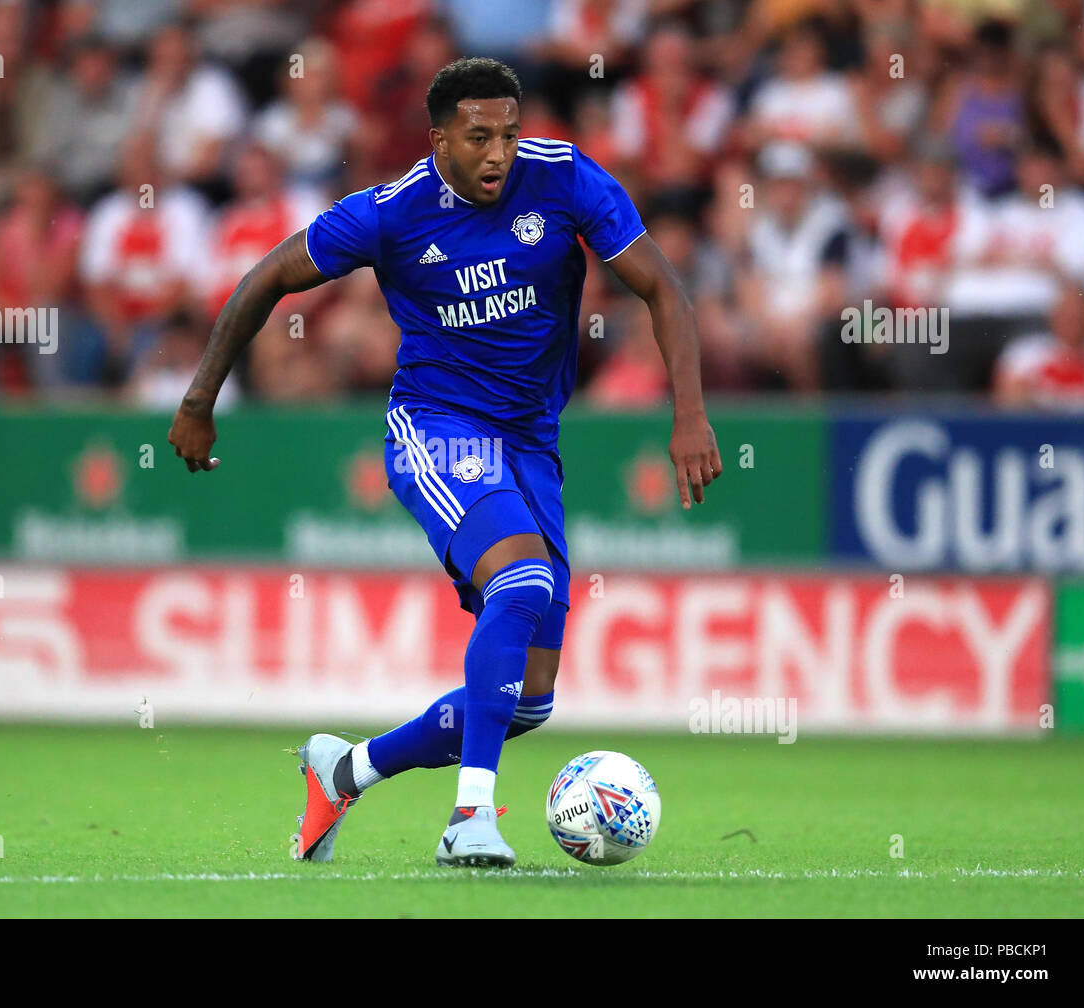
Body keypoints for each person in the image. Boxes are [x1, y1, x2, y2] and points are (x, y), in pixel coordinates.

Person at [167, 58, 721, 868]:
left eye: (508, 132)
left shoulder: (564, 179)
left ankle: (345, 770)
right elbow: (266, 279)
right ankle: (470, 817)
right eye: (478, 137)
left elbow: (662, 288)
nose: (499, 152)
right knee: (523, 582)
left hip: (531, 440)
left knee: (528, 703)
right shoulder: (391, 215)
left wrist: (691, 413)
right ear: (439, 142)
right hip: (439, 427)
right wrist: (197, 401)